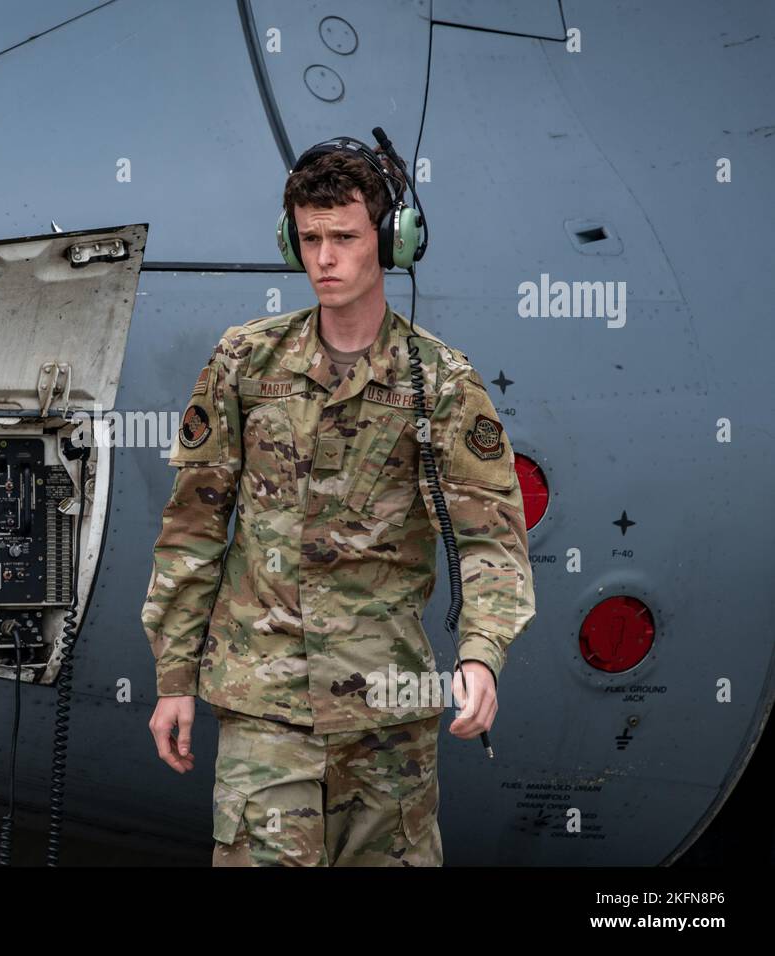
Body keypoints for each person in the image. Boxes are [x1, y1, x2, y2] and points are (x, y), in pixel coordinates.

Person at [139, 136, 536, 866]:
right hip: (267, 709)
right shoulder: (245, 363)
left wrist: (481, 657)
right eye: (311, 238)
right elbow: (194, 526)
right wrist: (174, 679)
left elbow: (492, 542)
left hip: (389, 714)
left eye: (345, 238)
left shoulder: (441, 383)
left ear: (390, 240)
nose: (325, 258)